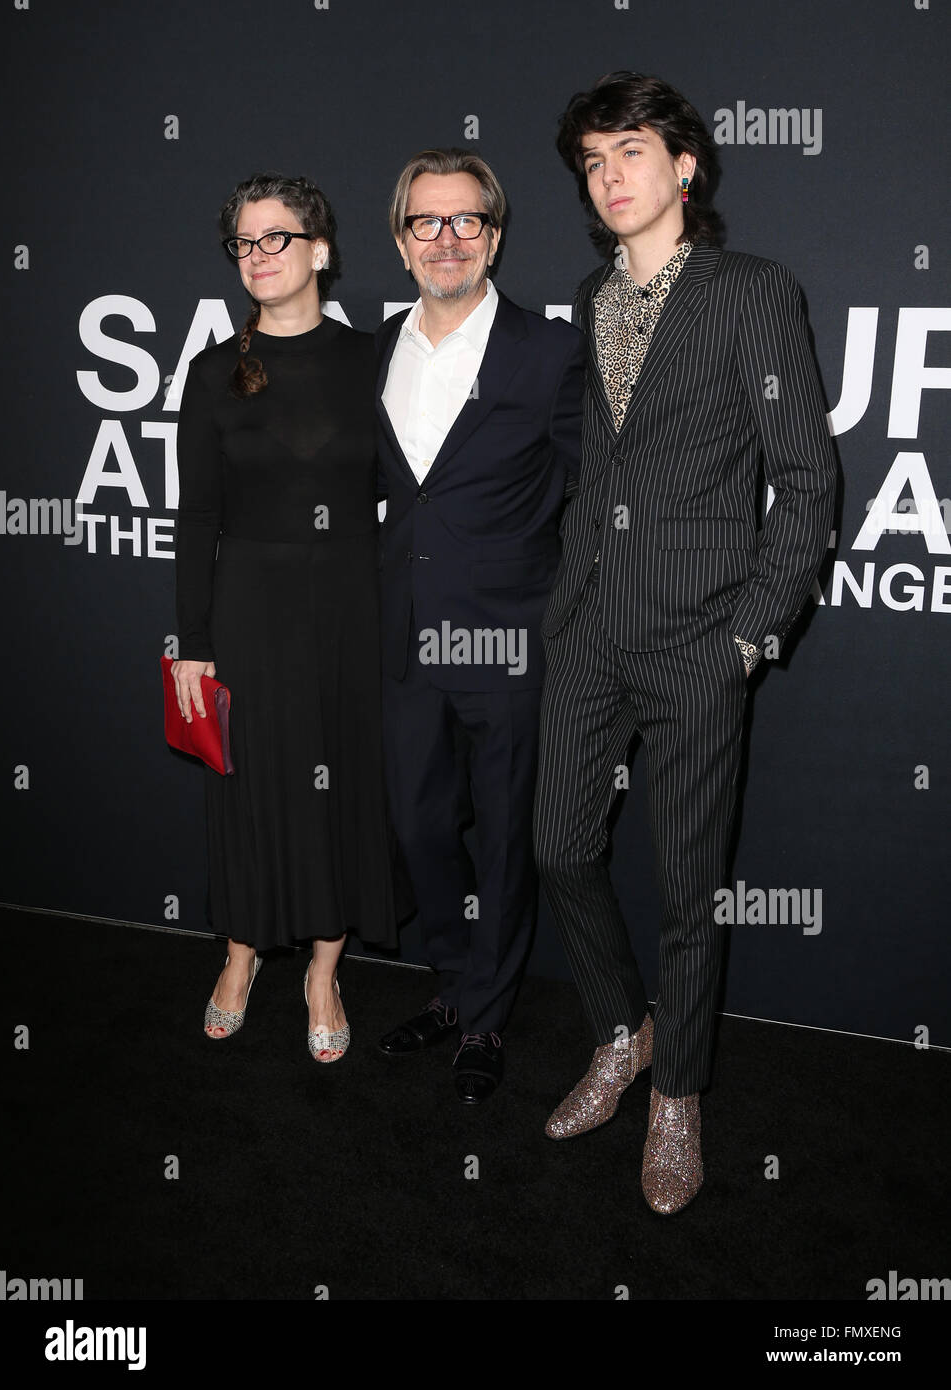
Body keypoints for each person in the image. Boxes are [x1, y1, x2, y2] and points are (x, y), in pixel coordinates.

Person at [534, 73, 837, 1210]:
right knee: (558, 847)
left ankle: (677, 1097)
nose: (608, 177)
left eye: (627, 153)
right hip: (588, 631)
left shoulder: (750, 292)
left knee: (686, 889)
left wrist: (746, 637)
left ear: (684, 166)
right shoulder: (587, 296)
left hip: (699, 641)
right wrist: (566, 600)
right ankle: (623, 1029)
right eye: (591, 162)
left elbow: (805, 482)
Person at [172, 172, 399, 1062]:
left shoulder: (374, 361)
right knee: (248, 783)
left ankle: (323, 968)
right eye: (245, 242)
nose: (259, 256)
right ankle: (240, 955)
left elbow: (404, 491)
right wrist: (192, 644)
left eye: (277, 238)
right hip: (249, 611)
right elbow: (196, 518)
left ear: (320, 251)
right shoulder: (213, 372)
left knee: (340, 781)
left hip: (349, 605)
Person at [375, 149, 585, 1103]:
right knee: (420, 827)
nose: (447, 239)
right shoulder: (376, 346)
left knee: (504, 837)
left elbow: (592, 491)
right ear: (401, 239)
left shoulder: (549, 349)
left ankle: (488, 1020)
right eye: (427, 222)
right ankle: (453, 988)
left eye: (467, 222)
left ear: (494, 237)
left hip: (511, 638)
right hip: (405, 636)